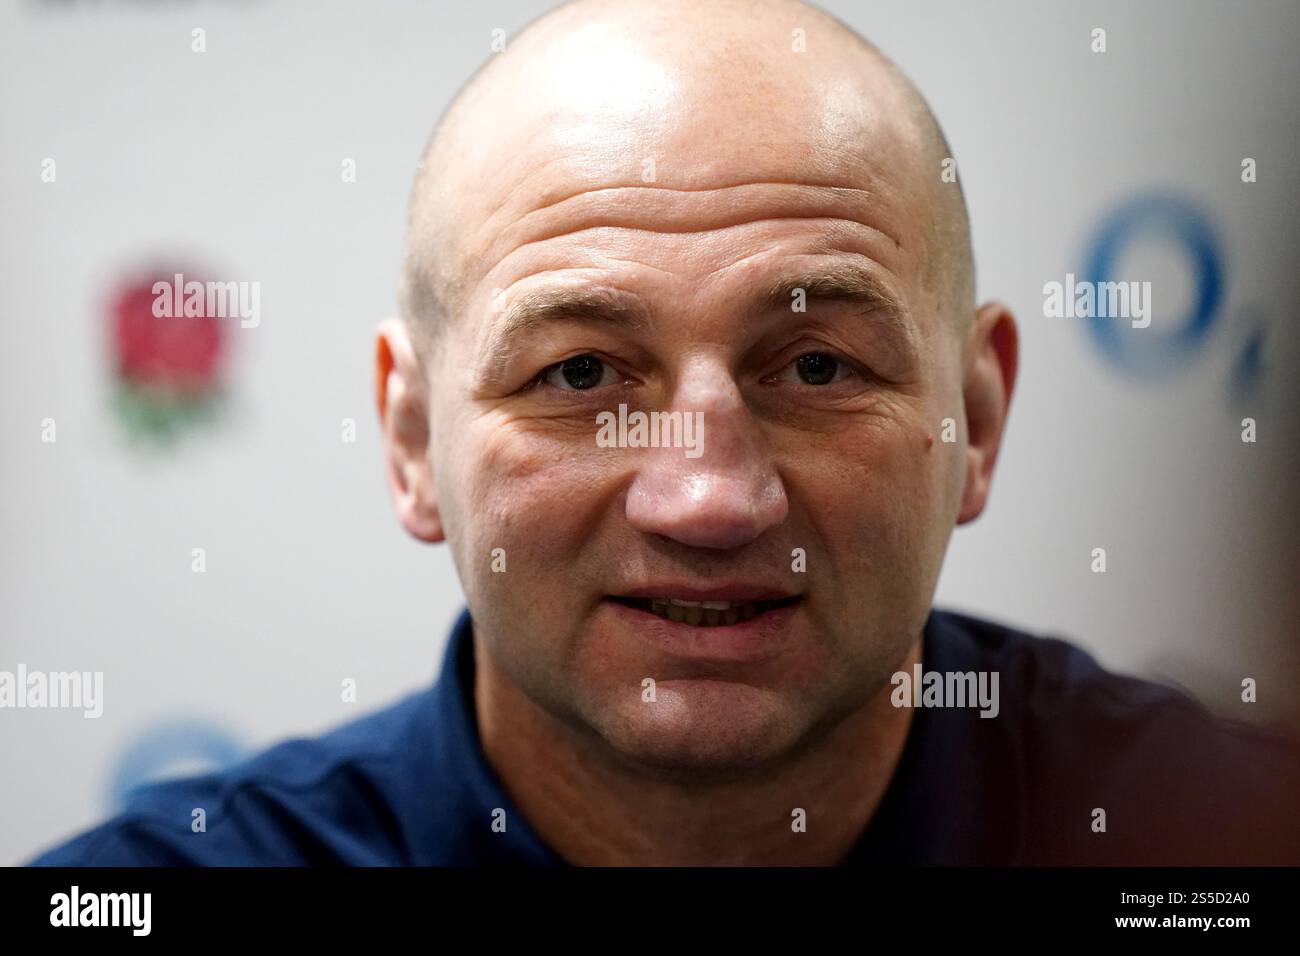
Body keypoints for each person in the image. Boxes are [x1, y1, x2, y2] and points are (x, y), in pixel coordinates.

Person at [29, 0, 1299, 867]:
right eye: (579, 369)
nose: (705, 498)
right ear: (411, 437)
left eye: (813, 363)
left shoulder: (1219, 842)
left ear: (974, 415)